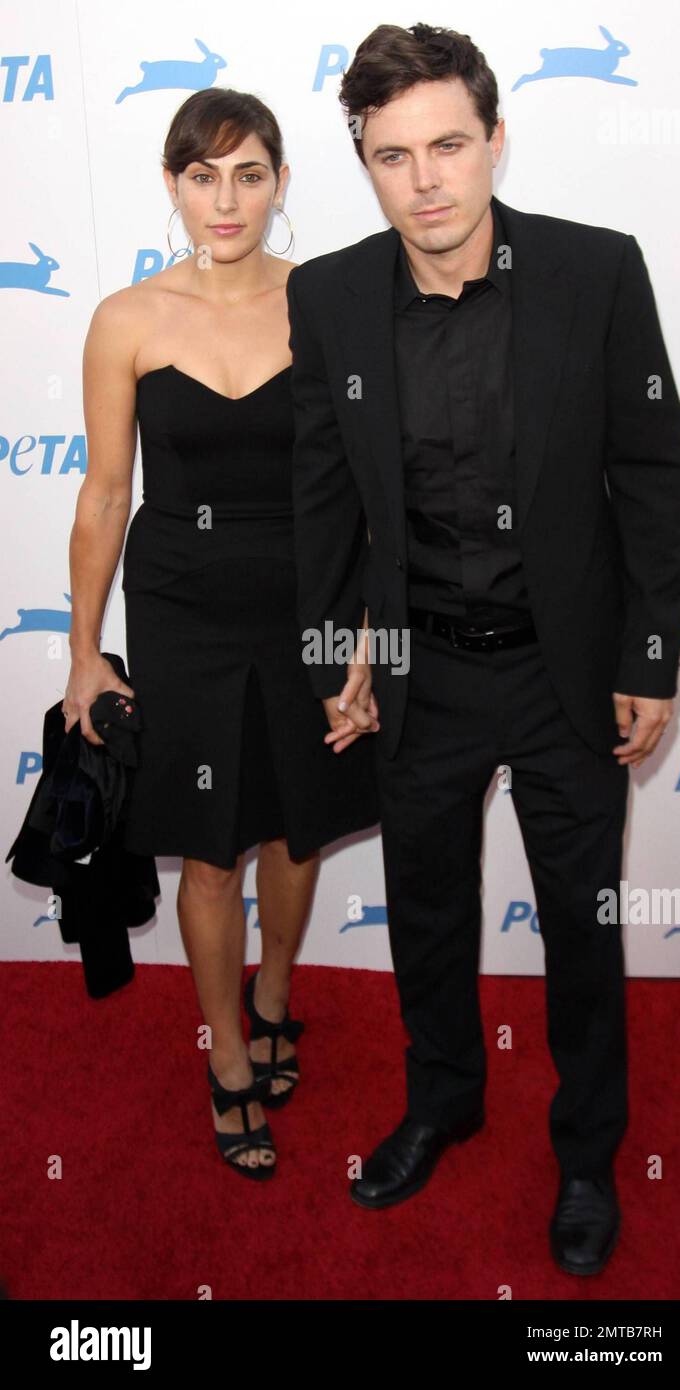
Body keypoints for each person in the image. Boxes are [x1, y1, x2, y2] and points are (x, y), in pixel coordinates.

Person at [286, 24, 680, 1270]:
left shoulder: (597, 271)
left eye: (448, 145)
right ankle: (444, 1099)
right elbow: (322, 493)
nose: (426, 180)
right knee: (424, 909)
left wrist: (646, 656)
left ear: (494, 138)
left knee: (580, 919)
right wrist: (330, 654)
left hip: (562, 663)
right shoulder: (332, 294)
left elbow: (650, 472)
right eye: (392, 155)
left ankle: (585, 1154)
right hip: (417, 667)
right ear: (363, 165)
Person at [63, 87, 380, 1181]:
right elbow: (106, 496)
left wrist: (360, 639)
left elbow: (364, 490)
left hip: (308, 601)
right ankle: (230, 1058)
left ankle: (279, 987)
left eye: (249, 173)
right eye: (203, 174)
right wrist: (83, 649)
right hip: (183, 608)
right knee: (210, 847)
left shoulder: (332, 302)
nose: (226, 197)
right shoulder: (127, 318)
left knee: (296, 827)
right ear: (171, 184)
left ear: (281, 182)